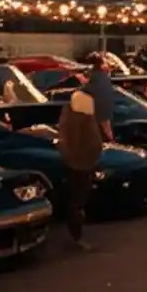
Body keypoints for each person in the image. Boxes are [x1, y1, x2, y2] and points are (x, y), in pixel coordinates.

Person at [57, 74, 112, 250]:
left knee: (76, 198)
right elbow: (89, 141)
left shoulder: (70, 116)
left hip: (77, 162)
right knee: (77, 199)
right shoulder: (83, 119)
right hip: (81, 164)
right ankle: (76, 236)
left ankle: (76, 233)